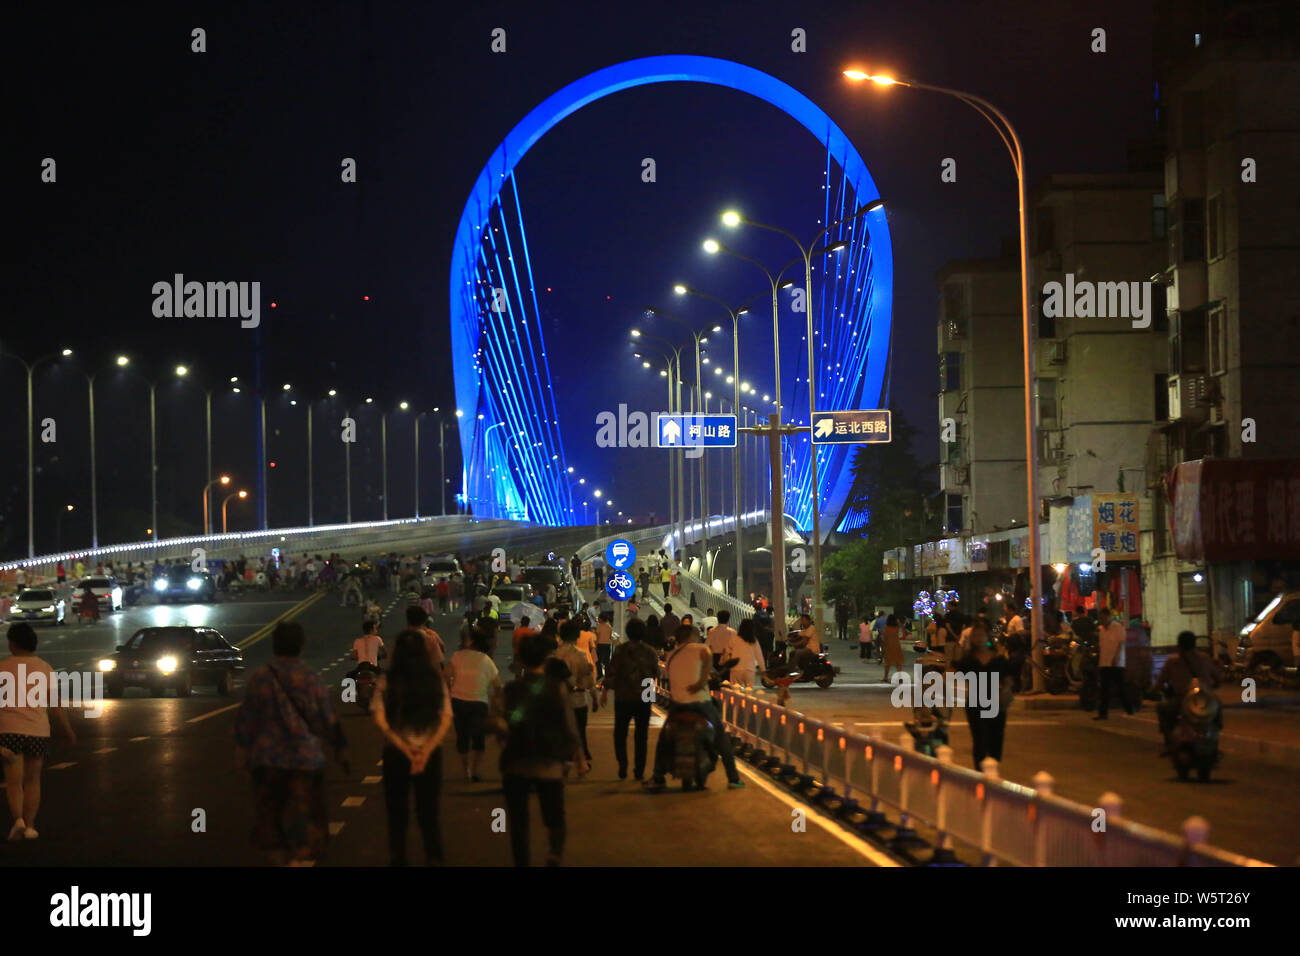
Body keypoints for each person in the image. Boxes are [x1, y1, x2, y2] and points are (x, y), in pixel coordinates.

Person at [233, 620, 349, 865]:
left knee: (271, 826)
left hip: (267, 761)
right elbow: (328, 719)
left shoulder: (260, 678)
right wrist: (340, 750)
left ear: (274, 645)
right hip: (305, 761)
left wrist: (241, 754)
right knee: (310, 823)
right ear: (301, 646)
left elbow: (245, 721)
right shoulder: (311, 678)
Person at [497, 633, 586, 866]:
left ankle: (522, 861)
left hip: (516, 763)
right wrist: (576, 759)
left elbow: (500, 725)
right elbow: (569, 726)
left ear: (522, 660)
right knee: (555, 817)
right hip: (550, 763)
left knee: (518, 823)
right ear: (545, 658)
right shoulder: (556, 688)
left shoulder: (511, 689)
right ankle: (554, 853)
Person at [371, 629, 452, 866]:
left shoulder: (388, 679)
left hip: (396, 754)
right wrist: (425, 751)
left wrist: (404, 749)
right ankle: (434, 857)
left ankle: (399, 858)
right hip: (429, 754)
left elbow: (379, 718)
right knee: (429, 813)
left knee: (397, 814)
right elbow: (445, 717)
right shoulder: (434, 679)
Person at [645, 625, 744, 792]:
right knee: (720, 736)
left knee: (664, 739)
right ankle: (733, 778)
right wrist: (700, 682)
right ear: (691, 636)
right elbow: (707, 664)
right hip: (701, 703)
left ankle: (658, 777)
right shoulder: (701, 648)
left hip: (678, 704)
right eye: (697, 635)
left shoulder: (671, 655)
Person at [0, 623, 76, 841]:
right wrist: (68, 730)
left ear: (12, 643)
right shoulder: (44, 668)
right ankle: (31, 825)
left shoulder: (3, 668)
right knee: (33, 780)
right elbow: (55, 705)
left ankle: (18, 821)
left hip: (8, 731)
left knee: (14, 781)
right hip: (38, 731)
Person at [601, 618, 660, 780]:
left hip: (623, 695)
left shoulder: (620, 650)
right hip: (645, 696)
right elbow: (656, 673)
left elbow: (611, 671)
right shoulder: (650, 651)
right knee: (641, 735)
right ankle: (639, 771)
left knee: (620, 732)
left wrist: (605, 690)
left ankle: (623, 765)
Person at [1150, 630, 1223, 756]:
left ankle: (1168, 743)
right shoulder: (1204, 658)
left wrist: (1152, 691)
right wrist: (1212, 687)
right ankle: (1215, 738)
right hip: (1204, 700)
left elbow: (1160, 683)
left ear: (1179, 646)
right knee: (1217, 707)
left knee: (1162, 708)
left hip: (1182, 700)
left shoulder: (1173, 661)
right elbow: (1218, 678)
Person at [954, 619, 1011, 770]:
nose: (978, 639)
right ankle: (979, 776)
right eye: (975, 636)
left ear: (988, 637)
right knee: (979, 740)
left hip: (996, 704)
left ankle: (993, 773)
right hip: (975, 704)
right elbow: (957, 678)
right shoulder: (968, 659)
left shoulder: (998, 659)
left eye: (981, 635)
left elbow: (1008, 680)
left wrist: (1005, 694)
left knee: (996, 740)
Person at [448, 627, 502, 782]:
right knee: (479, 739)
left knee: (462, 737)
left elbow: (446, 675)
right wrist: (495, 703)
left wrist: (450, 689)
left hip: (458, 700)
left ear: (471, 642)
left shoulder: (457, 656)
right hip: (479, 703)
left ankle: (466, 771)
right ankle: (474, 770)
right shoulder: (486, 660)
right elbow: (498, 685)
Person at [555, 621, 598, 763]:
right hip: (579, 700)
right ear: (577, 636)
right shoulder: (580, 655)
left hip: (559, 701)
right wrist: (595, 698)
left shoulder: (555, 655)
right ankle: (582, 756)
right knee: (580, 731)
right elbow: (588, 679)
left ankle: (566, 758)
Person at [1094, 608, 1133, 719]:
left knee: (1120, 688)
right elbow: (1102, 647)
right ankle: (1103, 714)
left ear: (1108, 617)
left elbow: (1121, 643)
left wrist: (1116, 657)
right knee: (1104, 690)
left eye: (1102, 618)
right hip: (1105, 663)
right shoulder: (1102, 630)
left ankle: (1129, 709)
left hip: (1116, 664)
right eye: (1100, 618)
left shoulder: (1117, 627)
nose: (1101, 620)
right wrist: (1100, 662)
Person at [725, 619, 766, 689]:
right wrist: (763, 670)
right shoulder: (754, 640)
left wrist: (727, 663)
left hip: (736, 668)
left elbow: (727, 652)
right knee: (749, 691)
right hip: (749, 669)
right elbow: (759, 656)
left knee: (735, 692)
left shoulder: (734, 638)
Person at [346, 618, 385, 683]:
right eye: (375, 629)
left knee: (349, 675)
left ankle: (352, 692)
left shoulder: (357, 641)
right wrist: (380, 656)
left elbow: (355, 656)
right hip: (373, 667)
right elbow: (384, 653)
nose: (376, 630)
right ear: (371, 630)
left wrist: (354, 657)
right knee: (384, 677)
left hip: (361, 667)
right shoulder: (378, 639)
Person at [881, 614, 905, 682]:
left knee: (887, 663)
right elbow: (902, 629)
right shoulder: (897, 627)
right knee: (898, 663)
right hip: (896, 645)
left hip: (888, 645)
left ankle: (885, 677)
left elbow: (884, 637)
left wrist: (883, 646)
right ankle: (900, 677)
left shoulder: (886, 627)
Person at [594, 611, 614, 680]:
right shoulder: (609, 626)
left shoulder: (599, 626)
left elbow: (597, 637)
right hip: (608, 645)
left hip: (600, 644)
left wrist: (595, 645)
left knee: (598, 661)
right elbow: (610, 636)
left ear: (602, 619)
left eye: (599, 618)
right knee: (606, 661)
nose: (598, 619)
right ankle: (607, 675)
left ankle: (600, 674)